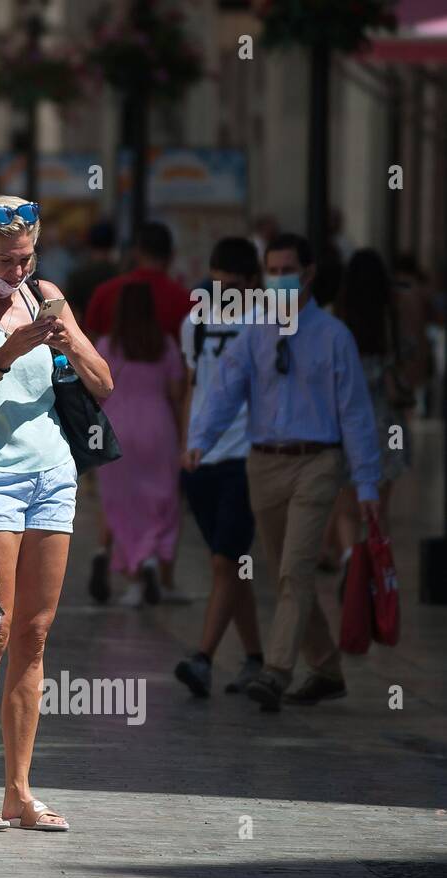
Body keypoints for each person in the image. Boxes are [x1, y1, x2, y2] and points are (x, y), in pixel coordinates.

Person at [0, 195, 112, 833]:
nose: (19, 266)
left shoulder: (47, 295)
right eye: (7, 257)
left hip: (52, 477)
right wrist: (5, 352)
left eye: (28, 255)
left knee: (34, 635)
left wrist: (66, 337)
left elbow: (103, 381)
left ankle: (19, 790)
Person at [186, 233, 382, 712]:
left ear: (309, 273)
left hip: (318, 463)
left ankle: (275, 671)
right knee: (283, 573)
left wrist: (367, 483)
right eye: (271, 271)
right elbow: (226, 390)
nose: (278, 279)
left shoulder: (335, 337)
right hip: (264, 464)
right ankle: (327, 668)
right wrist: (200, 441)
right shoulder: (254, 332)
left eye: (286, 270)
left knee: (296, 568)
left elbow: (356, 412)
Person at [173, 238, 265, 697]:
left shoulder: (269, 323)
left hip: (247, 457)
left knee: (225, 561)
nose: (222, 292)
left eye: (232, 285)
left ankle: (203, 658)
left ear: (252, 283)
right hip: (203, 459)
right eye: (216, 283)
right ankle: (255, 658)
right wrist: (186, 444)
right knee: (229, 567)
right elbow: (194, 386)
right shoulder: (197, 324)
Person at [95, 283, 186, 606]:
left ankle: (134, 576)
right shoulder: (166, 345)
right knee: (163, 502)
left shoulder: (107, 345)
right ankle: (160, 570)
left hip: (116, 430)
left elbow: (96, 391)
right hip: (158, 429)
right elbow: (177, 395)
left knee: (123, 506)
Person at [330, 249, 411, 564]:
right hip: (386, 424)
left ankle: (351, 560)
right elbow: (408, 365)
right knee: (380, 510)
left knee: (346, 509)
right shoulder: (391, 320)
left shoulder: (336, 322)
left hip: (346, 423)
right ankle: (378, 567)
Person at [84, 221, 194, 341]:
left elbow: (90, 340)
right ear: (171, 255)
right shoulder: (186, 301)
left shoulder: (105, 292)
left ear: (136, 252)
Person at [64, 220, 119, 321]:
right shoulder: (119, 274)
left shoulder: (78, 277)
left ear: (88, 244)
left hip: (86, 332)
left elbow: (72, 313)